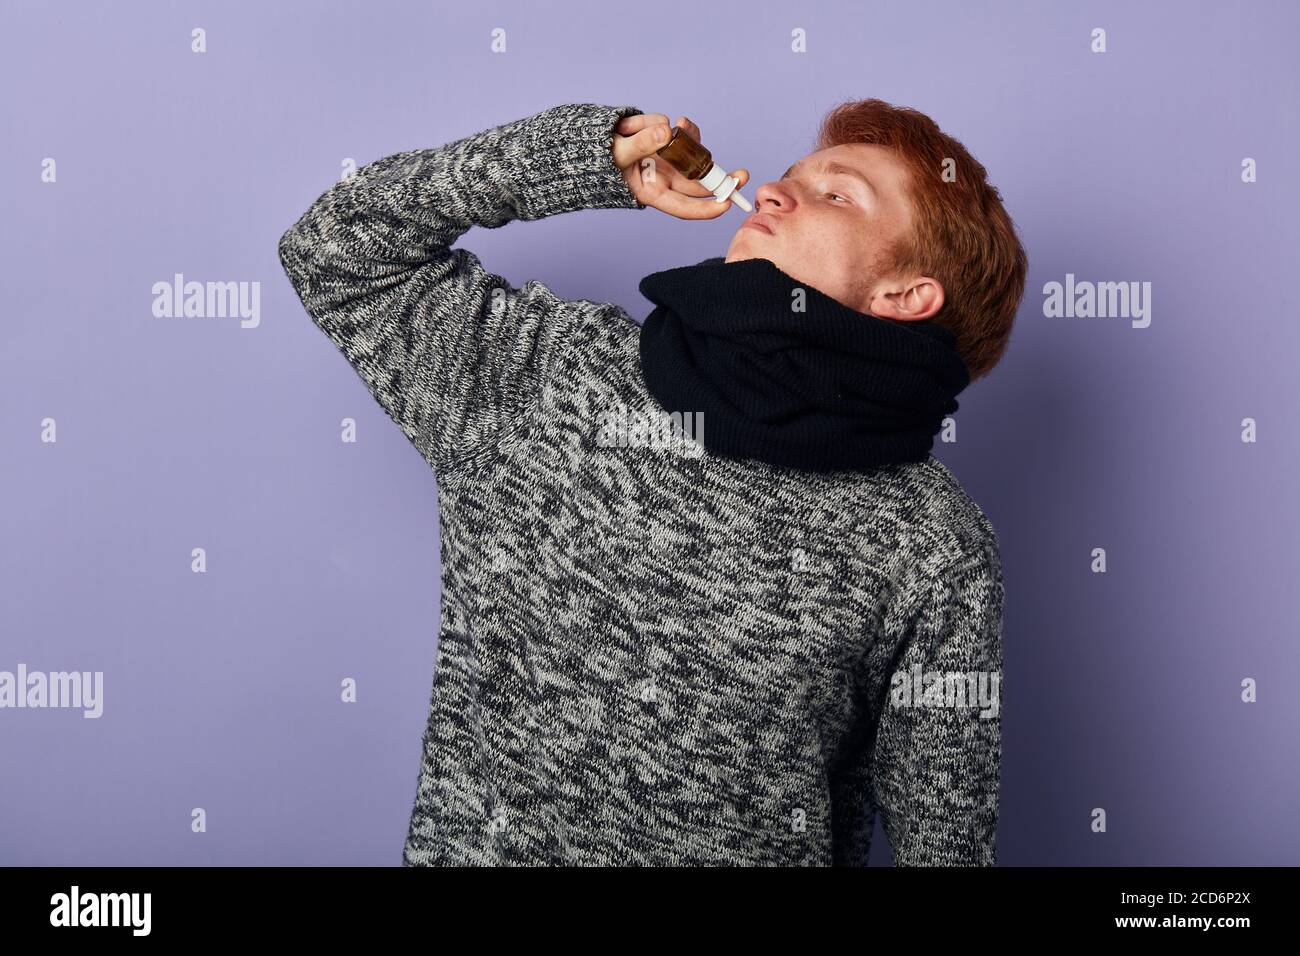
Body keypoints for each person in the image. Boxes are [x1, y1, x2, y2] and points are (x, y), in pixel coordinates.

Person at [277, 99, 1027, 866]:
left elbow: (945, 845)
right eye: (789, 178)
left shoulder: (933, 542)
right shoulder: (552, 374)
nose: (773, 192)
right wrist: (587, 158)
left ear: (905, 295)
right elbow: (335, 251)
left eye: (836, 194)